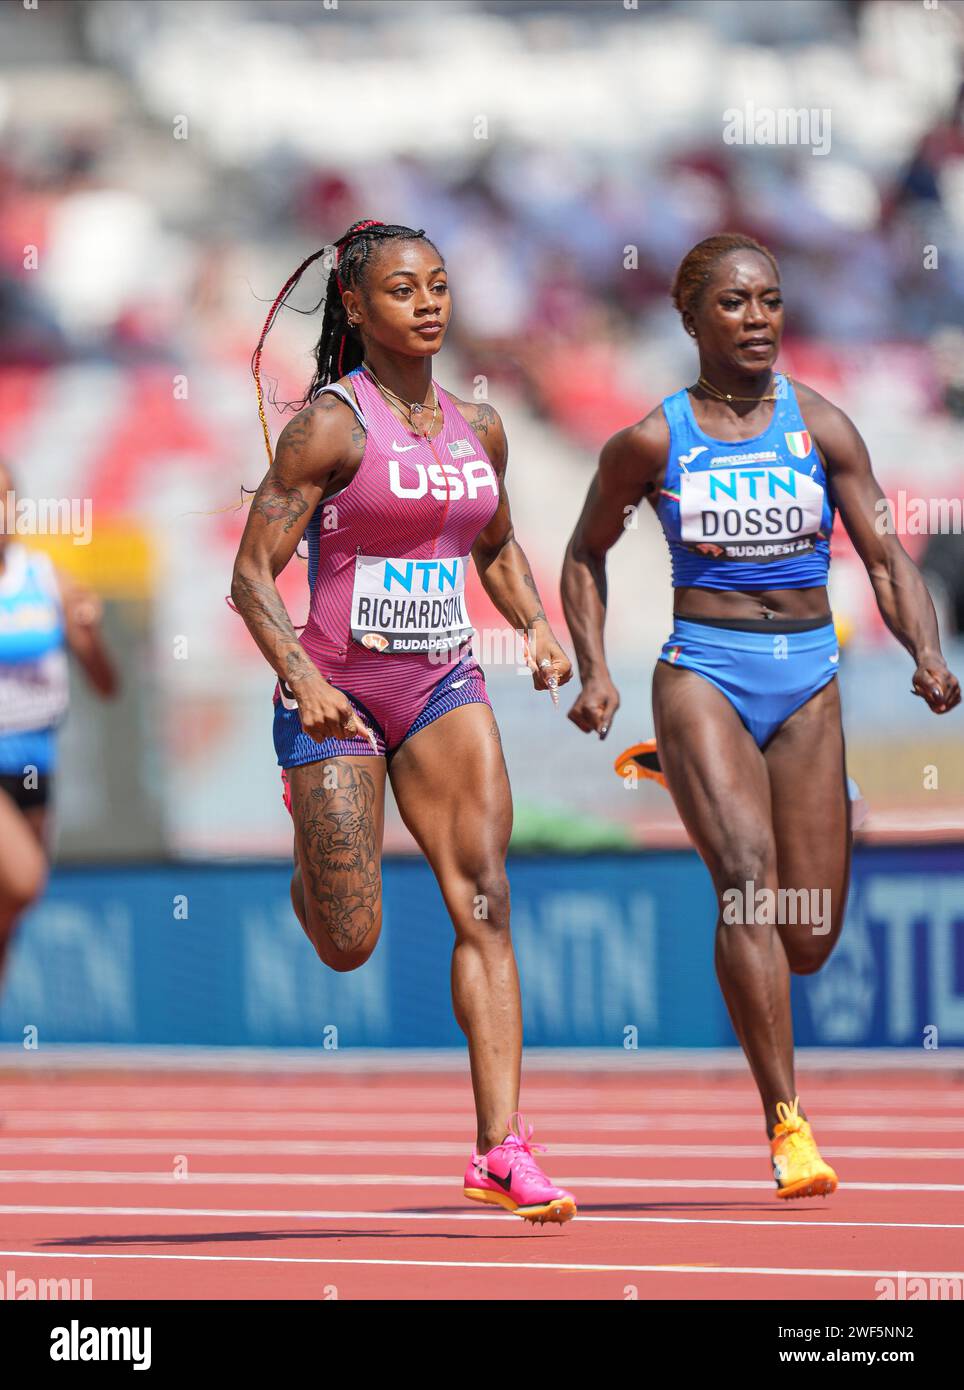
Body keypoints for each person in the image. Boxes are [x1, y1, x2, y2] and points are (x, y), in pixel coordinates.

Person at [561, 233, 960, 1199]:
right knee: (746, 878)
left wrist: (926, 651)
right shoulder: (652, 441)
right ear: (691, 317)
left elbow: (884, 557)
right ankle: (788, 1124)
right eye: (735, 305)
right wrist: (595, 672)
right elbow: (584, 552)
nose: (757, 321)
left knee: (809, 933)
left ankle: (776, 786)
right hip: (704, 671)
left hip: (810, 680)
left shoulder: (821, 426)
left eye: (771, 302)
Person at [231, 219, 577, 1223]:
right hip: (335, 690)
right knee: (349, 939)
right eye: (400, 289)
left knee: (485, 899)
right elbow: (250, 577)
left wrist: (537, 626)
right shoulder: (329, 429)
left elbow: (498, 546)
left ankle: (502, 1148)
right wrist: (300, 673)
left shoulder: (483, 426)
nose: (426, 302)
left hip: (440, 688)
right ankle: (312, 865)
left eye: (437, 285)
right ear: (355, 306)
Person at [0, 461, 119, 984]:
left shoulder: (45, 578)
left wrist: (88, 638)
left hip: (37, 768)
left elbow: (106, 684)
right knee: (24, 882)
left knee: (8, 918)